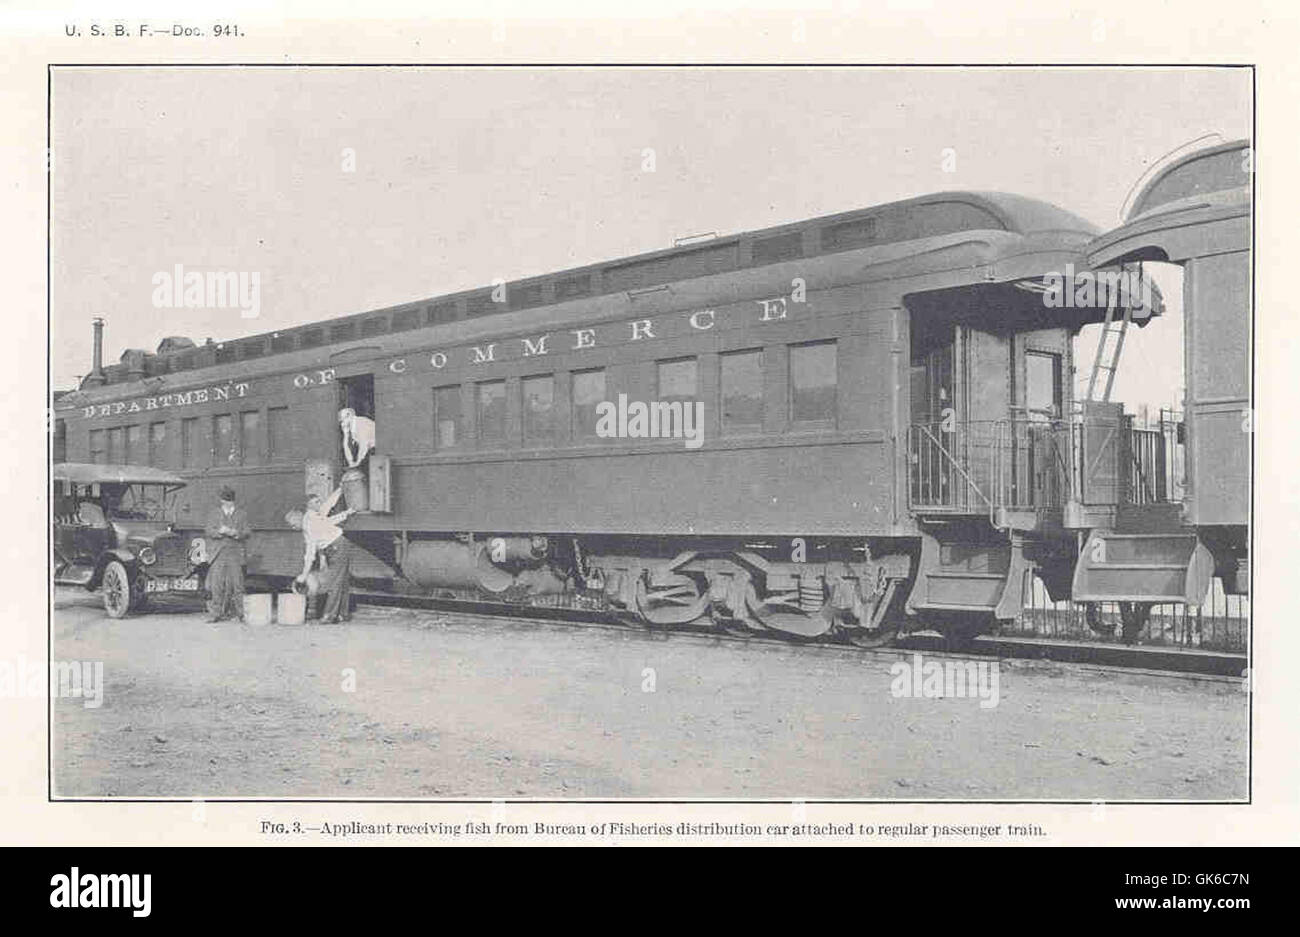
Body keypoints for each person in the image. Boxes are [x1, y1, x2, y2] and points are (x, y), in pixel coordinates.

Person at [286, 486, 356, 623]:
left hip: (337, 546)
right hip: (338, 545)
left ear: (298, 518)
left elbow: (310, 554)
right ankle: (343, 614)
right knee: (342, 579)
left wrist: (304, 575)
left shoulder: (309, 523)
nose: (293, 528)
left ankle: (329, 616)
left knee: (334, 581)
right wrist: (344, 504)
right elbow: (329, 512)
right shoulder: (311, 516)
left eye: (293, 524)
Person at [203, 485, 251, 622]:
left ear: (233, 502)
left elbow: (248, 532)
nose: (226, 505)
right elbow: (208, 531)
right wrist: (220, 532)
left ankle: (241, 614)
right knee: (216, 585)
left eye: (229, 502)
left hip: (235, 553)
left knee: (238, 584)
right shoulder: (214, 513)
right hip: (218, 553)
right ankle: (216, 614)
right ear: (221, 501)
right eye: (224, 502)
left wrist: (237, 534)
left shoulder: (241, 514)